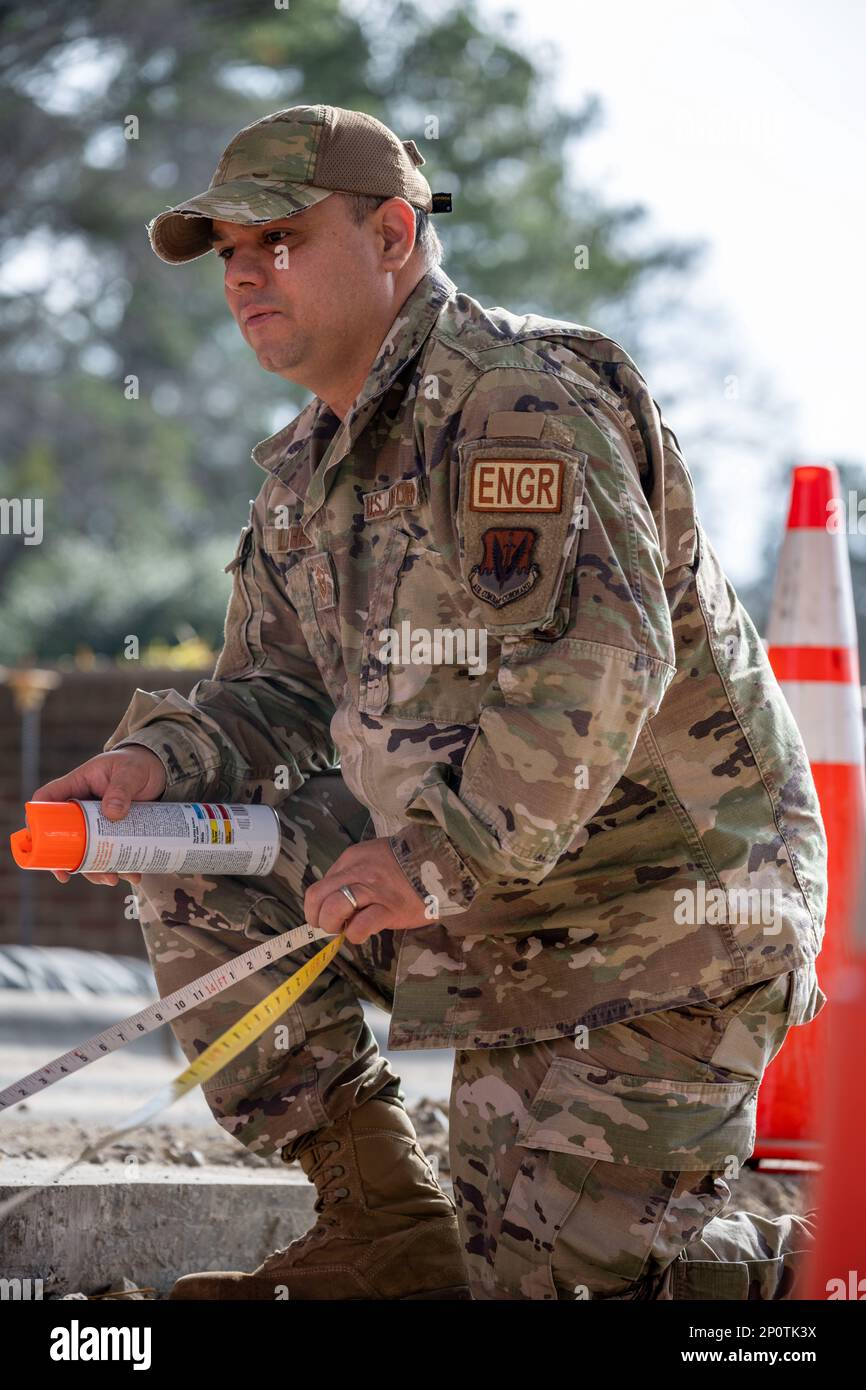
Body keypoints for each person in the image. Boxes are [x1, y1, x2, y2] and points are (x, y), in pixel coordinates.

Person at [36, 104, 828, 1301]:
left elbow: (599, 654)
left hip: (665, 922)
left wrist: (432, 852)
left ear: (394, 233)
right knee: (196, 858)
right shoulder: (307, 473)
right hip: (493, 911)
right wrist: (157, 768)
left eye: (281, 240)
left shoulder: (512, 401)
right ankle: (381, 1223)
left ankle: (812, 1283)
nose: (247, 273)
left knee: (545, 1295)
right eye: (229, 254)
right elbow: (277, 692)